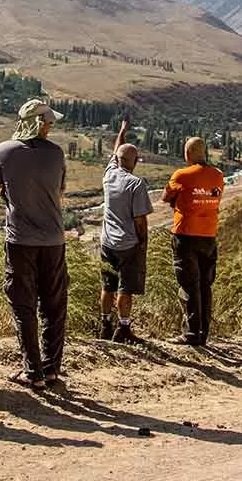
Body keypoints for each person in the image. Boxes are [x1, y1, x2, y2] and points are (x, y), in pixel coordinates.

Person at [0, 99, 68, 390]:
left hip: (20, 239)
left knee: (23, 304)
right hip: (53, 240)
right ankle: (51, 369)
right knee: (54, 305)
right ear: (38, 124)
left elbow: (2, 189)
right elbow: (60, 189)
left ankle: (32, 370)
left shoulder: (4, 151)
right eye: (47, 121)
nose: (50, 125)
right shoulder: (56, 153)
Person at [163, 136, 225, 347]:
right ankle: (203, 332)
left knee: (190, 285)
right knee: (206, 285)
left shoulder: (182, 175)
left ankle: (191, 333)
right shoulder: (218, 175)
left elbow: (166, 196)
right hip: (209, 236)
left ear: (187, 154)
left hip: (185, 235)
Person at [98, 117, 153, 344]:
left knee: (107, 285)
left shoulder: (109, 174)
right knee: (125, 287)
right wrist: (143, 243)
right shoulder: (135, 184)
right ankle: (123, 328)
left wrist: (122, 131)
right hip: (127, 243)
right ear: (136, 161)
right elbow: (140, 220)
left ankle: (104, 324)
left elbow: (116, 152)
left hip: (106, 241)